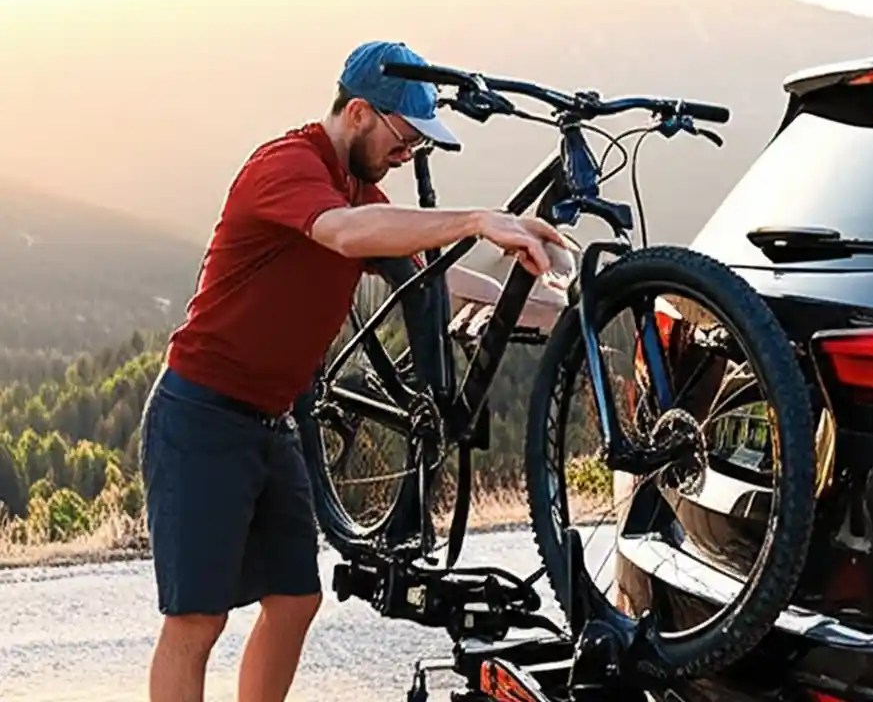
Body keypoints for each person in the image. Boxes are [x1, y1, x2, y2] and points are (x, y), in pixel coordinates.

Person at [138, 40, 564, 702]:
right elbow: (344, 233)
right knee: (196, 621)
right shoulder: (288, 164)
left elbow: (436, 285)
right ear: (360, 112)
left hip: (272, 419)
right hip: (201, 413)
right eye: (406, 138)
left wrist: (563, 303)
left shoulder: (360, 190)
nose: (410, 154)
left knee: (295, 599)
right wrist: (479, 220)